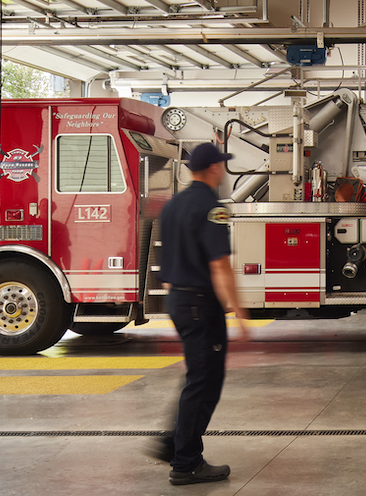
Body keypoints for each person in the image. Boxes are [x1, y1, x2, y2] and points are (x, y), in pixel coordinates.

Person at [152, 142, 251, 486]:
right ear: (212, 169)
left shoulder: (172, 206)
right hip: (200, 305)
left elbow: (165, 266)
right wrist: (240, 314)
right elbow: (220, 267)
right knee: (205, 383)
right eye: (221, 165)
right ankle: (186, 463)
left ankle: (172, 443)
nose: (222, 170)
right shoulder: (212, 208)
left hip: (178, 301)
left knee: (197, 376)